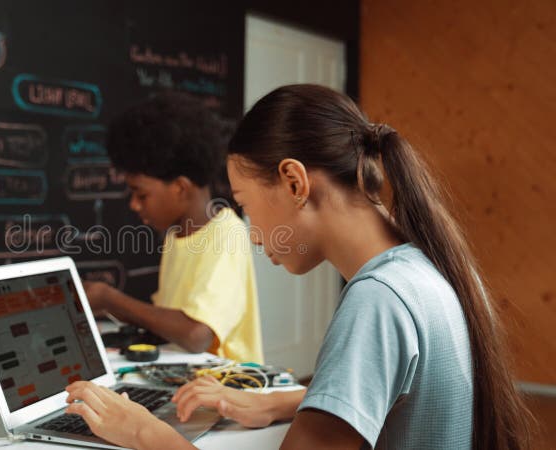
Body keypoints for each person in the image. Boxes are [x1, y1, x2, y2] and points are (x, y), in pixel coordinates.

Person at [65, 84, 533, 450]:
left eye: (247, 205)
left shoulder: (379, 299)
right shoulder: (422, 267)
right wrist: (281, 402)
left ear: (293, 182)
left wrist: (145, 433)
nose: (250, 231)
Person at [82, 92, 263, 363]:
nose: (133, 205)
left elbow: (195, 335)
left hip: (230, 392)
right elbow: (167, 320)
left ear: (180, 188)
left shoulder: (227, 234)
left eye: (141, 195)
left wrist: (109, 299)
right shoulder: (176, 237)